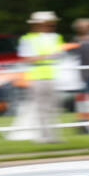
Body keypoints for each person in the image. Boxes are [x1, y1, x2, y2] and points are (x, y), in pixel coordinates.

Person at [14, 10, 63, 142]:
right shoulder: (27, 39)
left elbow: (59, 55)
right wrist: (44, 57)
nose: (50, 26)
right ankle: (43, 136)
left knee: (53, 108)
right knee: (41, 108)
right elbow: (26, 58)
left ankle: (53, 136)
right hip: (37, 76)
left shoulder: (55, 37)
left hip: (52, 75)